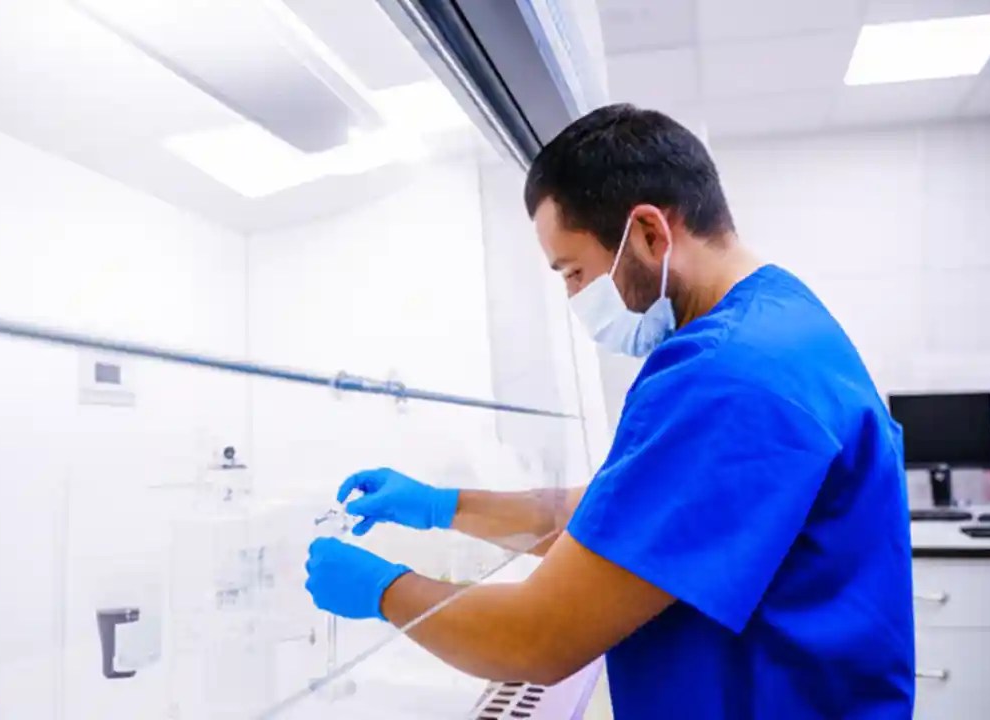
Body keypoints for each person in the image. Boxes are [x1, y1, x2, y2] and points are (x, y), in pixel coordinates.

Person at [303, 105, 915, 718]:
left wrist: (385, 590)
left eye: (573, 272)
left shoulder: (726, 378)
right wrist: (441, 506)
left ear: (650, 233)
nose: (575, 297)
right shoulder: (779, 329)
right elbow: (623, 519)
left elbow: (535, 637)